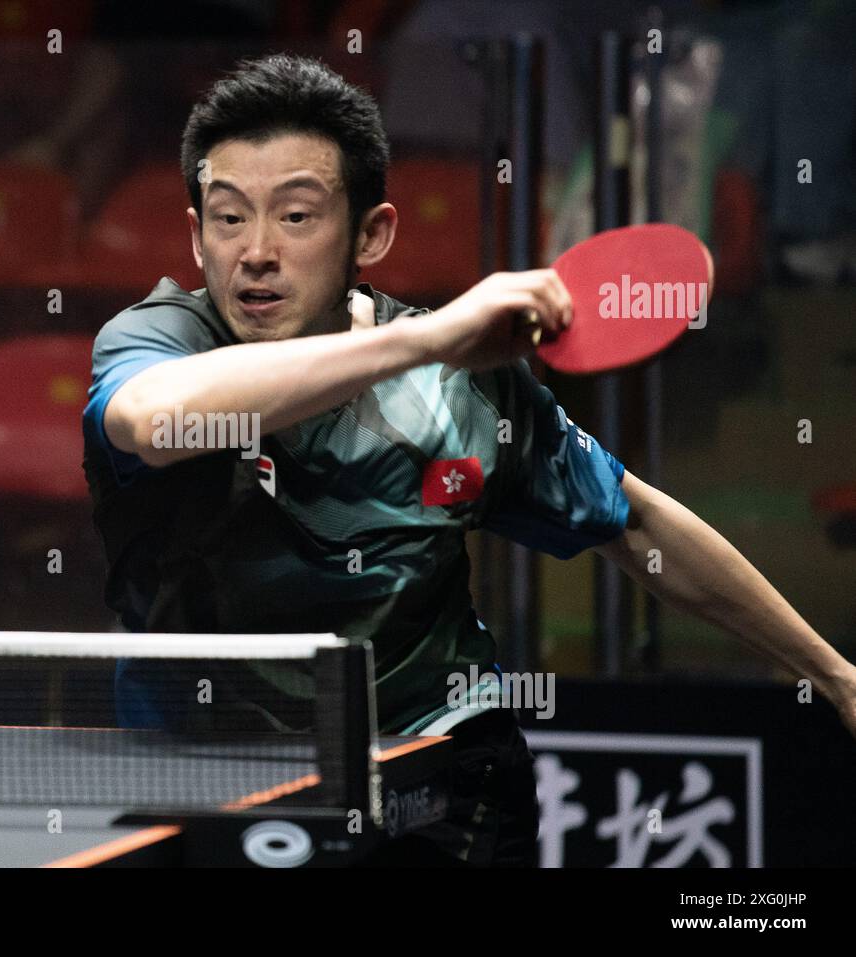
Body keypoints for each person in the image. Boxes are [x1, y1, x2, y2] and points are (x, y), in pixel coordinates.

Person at [80, 53, 856, 866]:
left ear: (371, 234)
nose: (257, 251)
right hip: (199, 775)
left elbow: (636, 524)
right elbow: (150, 419)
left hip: (433, 773)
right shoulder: (155, 342)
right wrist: (425, 338)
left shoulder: (461, 390)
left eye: (298, 216)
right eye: (228, 217)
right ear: (195, 235)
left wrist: (835, 675)